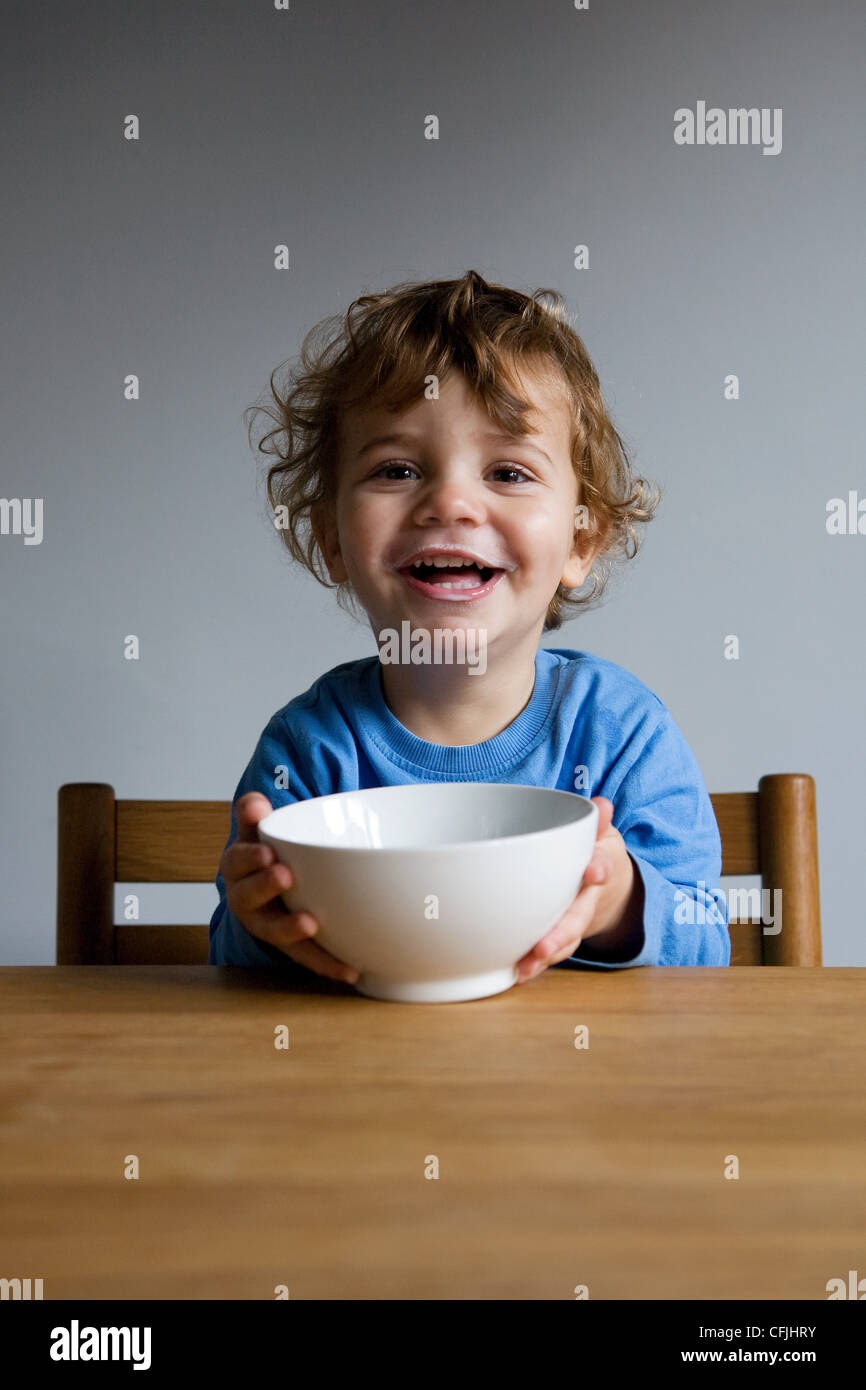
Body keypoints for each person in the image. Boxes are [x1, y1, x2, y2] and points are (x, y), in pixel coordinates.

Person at [208, 270, 729, 982]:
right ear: (332, 539)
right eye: (396, 469)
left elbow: (708, 944)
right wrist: (260, 925)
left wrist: (620, 904)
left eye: (509, 473)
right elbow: (235, 963)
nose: (450, 502)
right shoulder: (310, 750)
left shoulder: (622, 734)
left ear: (580, 540)